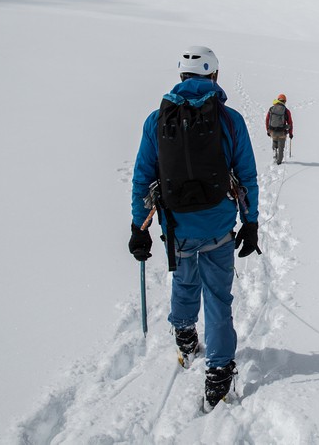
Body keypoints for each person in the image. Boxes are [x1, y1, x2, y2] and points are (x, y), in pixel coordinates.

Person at [127, 46, 261, 411]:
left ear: (182, 77)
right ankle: (218, 372)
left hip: (177, 225)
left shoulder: (157, 120)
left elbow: (143, 179)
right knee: (218, 298)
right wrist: (251, 223)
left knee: (184, 279)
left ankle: (185, 334)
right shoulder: (230, 119)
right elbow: (246, 176)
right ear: (214, 76)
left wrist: (139, 228)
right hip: (218, 223)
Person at [265, 93, 294, 164]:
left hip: (272, 131)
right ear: (284, 101)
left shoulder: (271, 109)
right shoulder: (286, 111)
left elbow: (267, 120)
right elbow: (290, 122)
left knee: (275, 143)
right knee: (281, 148)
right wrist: (290, 133)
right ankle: (279, 162)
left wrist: (268, 130)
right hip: (282, 132)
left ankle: (274, 156)